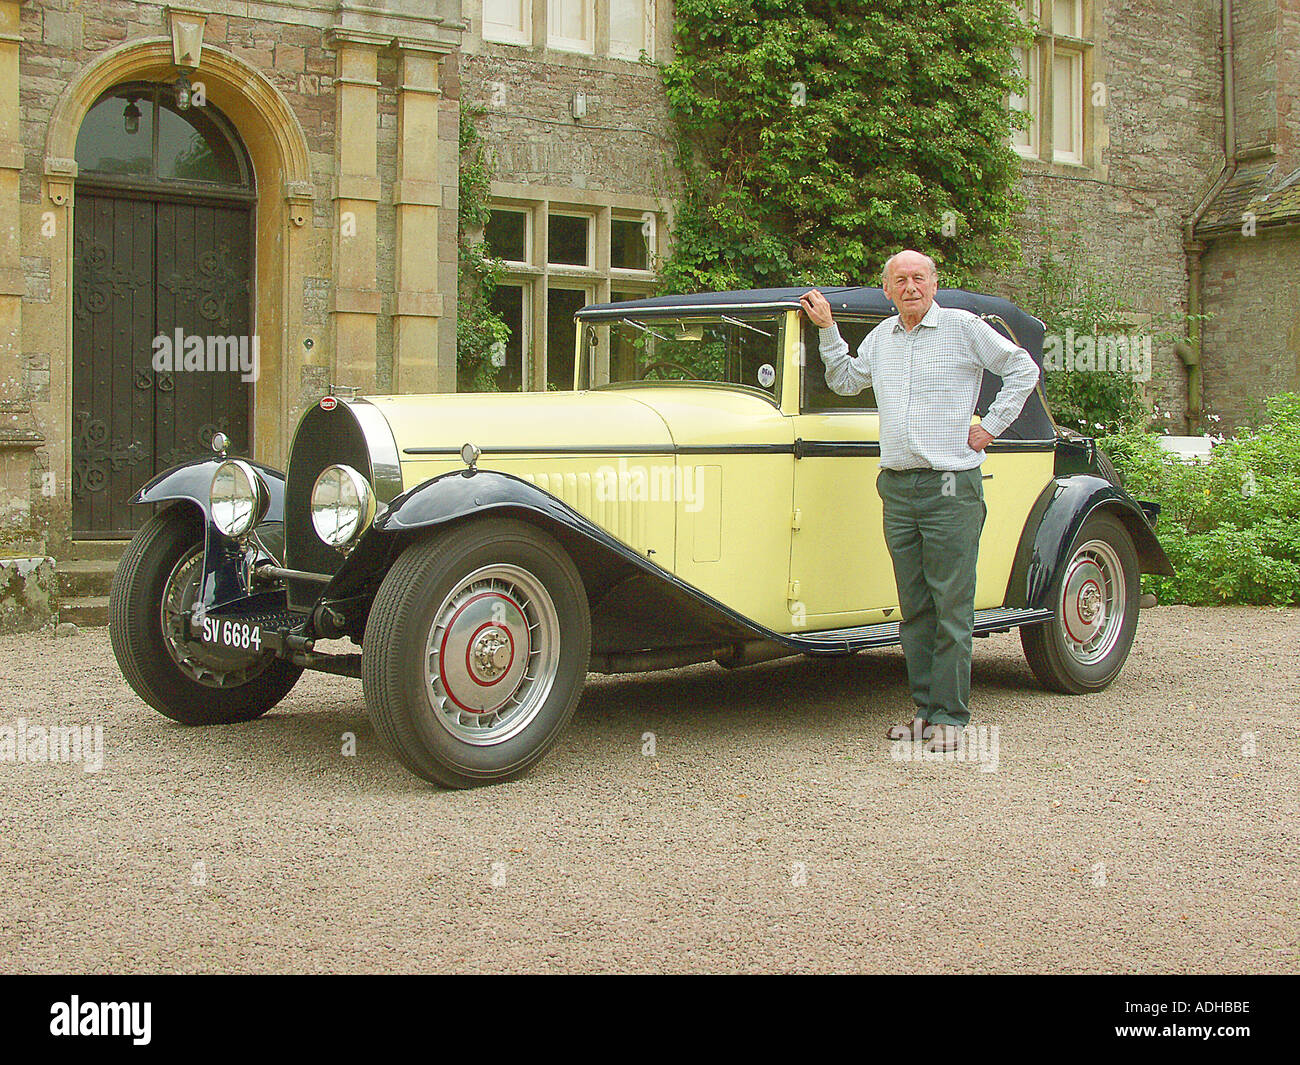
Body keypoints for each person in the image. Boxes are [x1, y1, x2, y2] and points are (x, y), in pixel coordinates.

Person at [800, 251, 1039, 754]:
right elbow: (845, 380)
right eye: (899, 280)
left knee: (950, 605)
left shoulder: (962, 328)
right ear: (887, 290)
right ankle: (925, 713)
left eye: (919, 278)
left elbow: (1022, 368)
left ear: (934, 283)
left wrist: (991, 426)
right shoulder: (883, 338)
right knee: (914, 609)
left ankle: (951, 718)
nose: (910, 287)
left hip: (951, 487)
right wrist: (827, 328)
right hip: (898, 486)